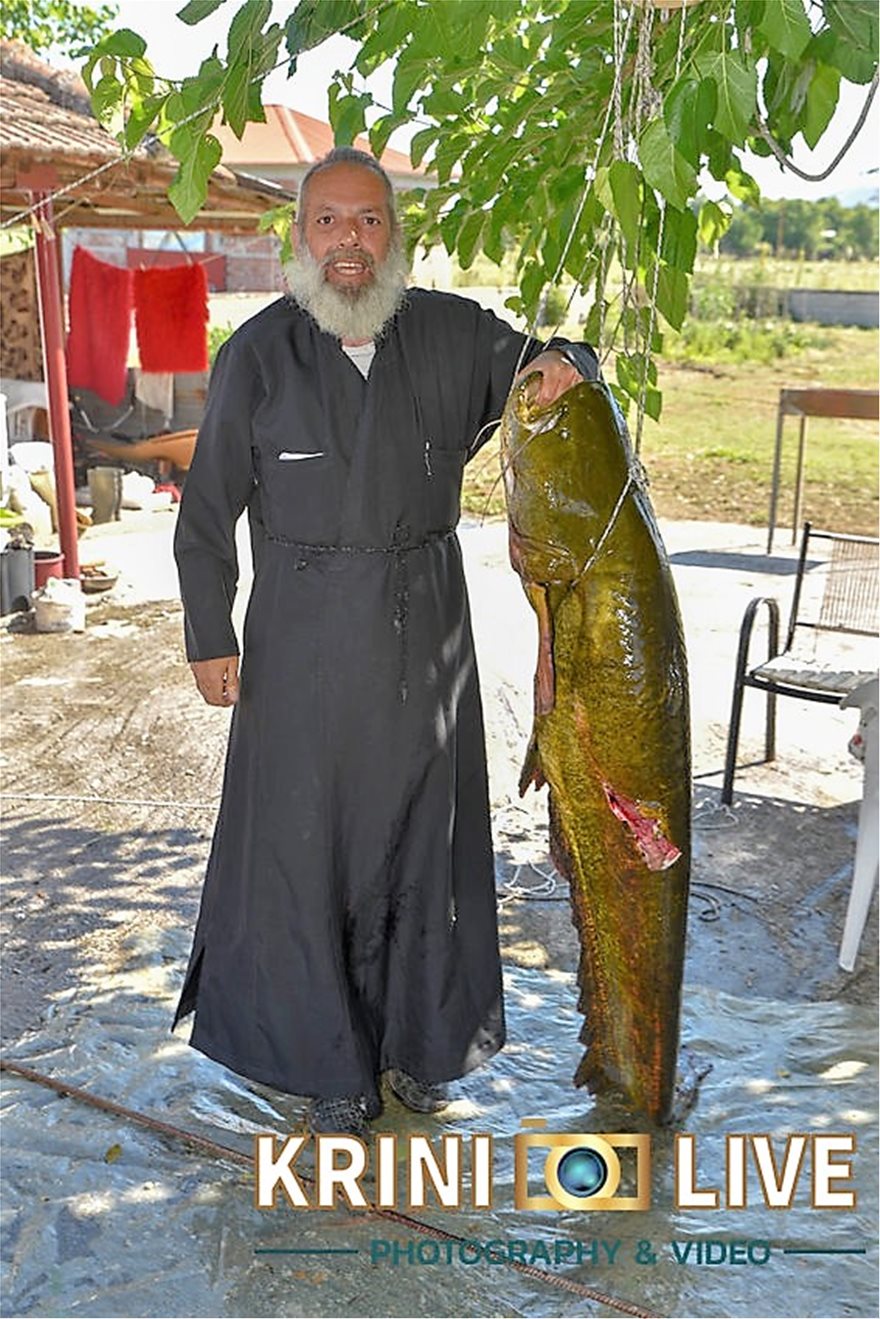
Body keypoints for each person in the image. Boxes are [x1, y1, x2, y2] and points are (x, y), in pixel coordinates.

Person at [173, 147, 598, 1137]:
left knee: (419, 845)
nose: (348, 241)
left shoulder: (451, 332)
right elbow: (205, 510)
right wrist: (208, 631)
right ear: (299, 237)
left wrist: (568, 362)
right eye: (327, 221)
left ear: (393, 234)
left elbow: (548, 360)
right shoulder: (259, 349)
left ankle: (418, 1044)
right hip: (297, 636)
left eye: (367, 220)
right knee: (304, 851)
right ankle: (327, 1065)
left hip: (425, 639)